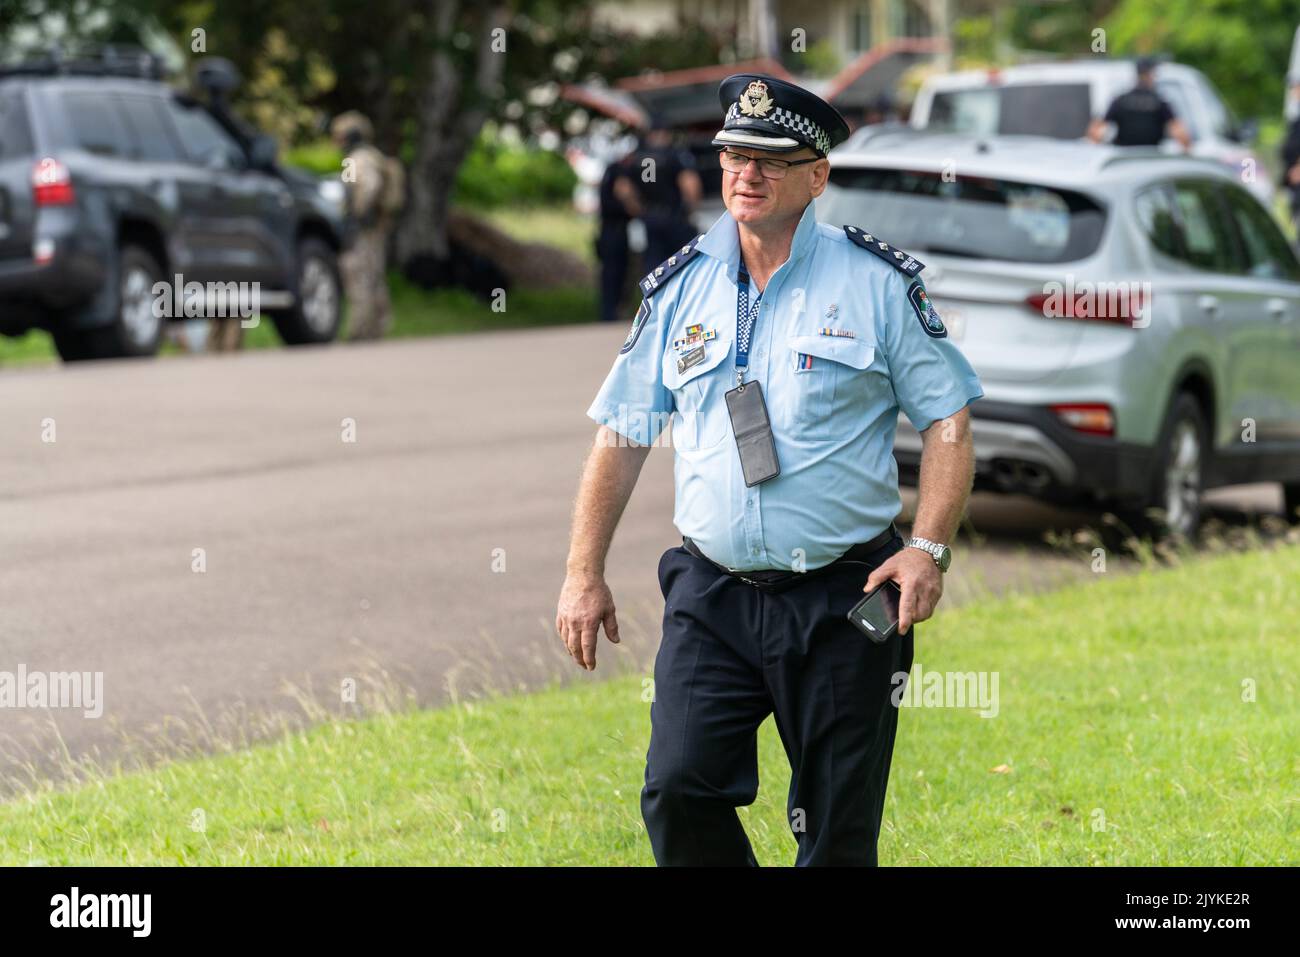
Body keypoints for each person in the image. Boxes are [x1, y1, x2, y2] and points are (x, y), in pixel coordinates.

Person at [555, 73, 984, 866]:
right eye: (733, 156)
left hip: (843, 595)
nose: (745, 174)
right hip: (711, 592)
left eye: (770, 160)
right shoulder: (680, 287)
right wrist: (585, 573)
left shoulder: (876, 284)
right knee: (678, 787)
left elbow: (948, 418)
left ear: (816, 175)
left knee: (833, 832)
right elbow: (621, 435)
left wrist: (926, 548)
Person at [329, 111, 396, 341]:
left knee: (358, 276)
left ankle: (360, 331)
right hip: (374, 227)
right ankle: (377, 329)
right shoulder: (373, 156)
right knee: (374, 275)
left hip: (363, 228)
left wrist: (355, 214)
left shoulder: (356, 159)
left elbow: (367, 186)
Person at [625, 118, 703, 268]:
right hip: (674, 218)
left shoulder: (637, 156)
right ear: (666, 134)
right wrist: (690, 210)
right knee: (683, 264)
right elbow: (690, 184)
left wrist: (639, 211)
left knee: (654, 267)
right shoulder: (674, 154)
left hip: (650, 217)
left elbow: (624, 189)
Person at [1087, 56, 1191, 149]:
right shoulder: (1159, 101)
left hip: (1122, 158)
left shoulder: (1120, 100)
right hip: (1150, 156)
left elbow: (1095, 132)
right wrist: (1187, 150)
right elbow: (1180, 133)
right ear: (1149, 74)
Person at [595, 142, 638, 324]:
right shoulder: (620, 171)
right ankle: (611, 313)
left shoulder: (609, 171)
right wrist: (639, 210)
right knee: (616, 273)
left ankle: (608, 312)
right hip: (617, 231)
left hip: (606, 230)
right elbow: (625, 194)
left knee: (609, 273)